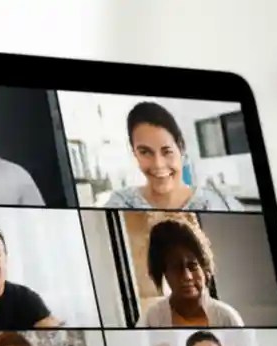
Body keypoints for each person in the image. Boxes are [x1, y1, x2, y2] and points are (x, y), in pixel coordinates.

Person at [104, 101, 243, 211]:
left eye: (167, 151)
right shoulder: (120, 203)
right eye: (145, 152)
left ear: (181, 148)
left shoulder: (222, 203)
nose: (158, 164)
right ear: (134, 152)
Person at [137, 218, 244, 328]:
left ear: (205, 269)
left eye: (193, 266)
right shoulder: (152, 319)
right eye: (176, 268)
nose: (187, 276)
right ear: (165, 273)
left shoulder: (227, 318)